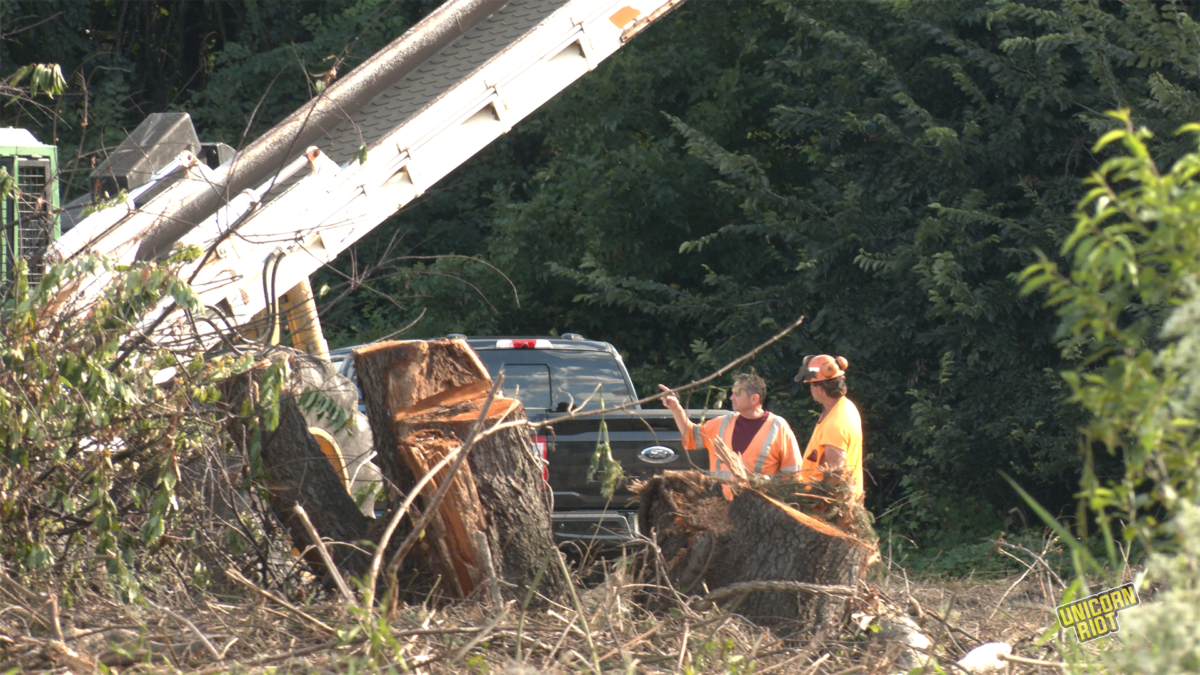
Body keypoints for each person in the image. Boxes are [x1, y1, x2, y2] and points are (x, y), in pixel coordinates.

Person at [658, 373, 801, 481]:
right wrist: (676, 408)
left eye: (736, 394)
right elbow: (691, 434)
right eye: (731, 393)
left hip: (759, 512)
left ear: (754, 399)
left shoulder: (779, 427)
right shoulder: (721, 424)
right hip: (722, 509)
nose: (731, 398)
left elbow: (793, 474)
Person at [794, 355, 864, 502]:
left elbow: (834, 477)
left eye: (811, 385)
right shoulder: (839, 408)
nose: (810, 389)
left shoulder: (836, 423)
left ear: (820, 389)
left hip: (827, 509)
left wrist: (812, 502)